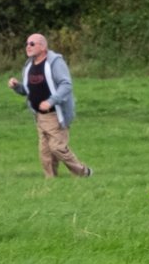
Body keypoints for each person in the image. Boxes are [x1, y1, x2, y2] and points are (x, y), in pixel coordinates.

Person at [10, 33, 90, 178]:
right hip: (39, 116)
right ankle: (51, 181)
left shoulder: (54, 62)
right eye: (27, 43)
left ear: (43, 46)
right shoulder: (29, 65)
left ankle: (83, 172)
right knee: (45, 153)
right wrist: (17, 87)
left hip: (55, 114)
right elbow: (28, 90)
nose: (28, 46)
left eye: (32, 44)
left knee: (57, 148)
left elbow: (66, 85)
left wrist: (51, 101)